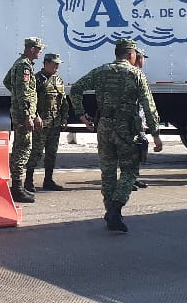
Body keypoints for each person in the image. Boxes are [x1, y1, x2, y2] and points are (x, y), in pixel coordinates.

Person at [70, 39, 163, 232]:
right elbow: (148, 105)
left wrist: (81, 114)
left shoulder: (100, 71)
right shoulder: (136, 74)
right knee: (130, 171)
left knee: (108, 172)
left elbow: (76, 88)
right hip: (126, 129)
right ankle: (115, 209)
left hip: (104, 126)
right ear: (131, 55)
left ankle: (111, 214)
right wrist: (155, 134)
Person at [3, 37, 45, 203]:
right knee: (23, 149)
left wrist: (32, 112)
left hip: (22, 112)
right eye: (39, 49)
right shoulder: (24, 66)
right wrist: (28, 115)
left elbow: (7, 82)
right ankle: (17, 188)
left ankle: (17, 186)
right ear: (32, 49)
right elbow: (24, 92)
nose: (41, 52)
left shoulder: (19, 63)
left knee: (21, 147)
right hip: (22, 115)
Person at [25, 52, 68, 192]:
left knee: (52, 153)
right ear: (46, 64)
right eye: (54, 64)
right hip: (41, 123)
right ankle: (28, 181)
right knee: (36, 152)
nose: (56, 67)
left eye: (58, 65)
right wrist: (35, 115)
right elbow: (31, 100)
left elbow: (63, 101)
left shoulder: (58, 80)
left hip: (54, 123)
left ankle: (48, 180)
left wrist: (64, 117)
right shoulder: (36, 79)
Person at [130, 48, 151, 191]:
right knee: (131, 151)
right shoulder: (131, 75)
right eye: (143, 58)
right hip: (132, 121)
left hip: (139, 120)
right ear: (138, 58)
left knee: (140, 148)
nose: (144, 61)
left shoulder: (140, 74)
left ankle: (134, 177)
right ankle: (127, 180)